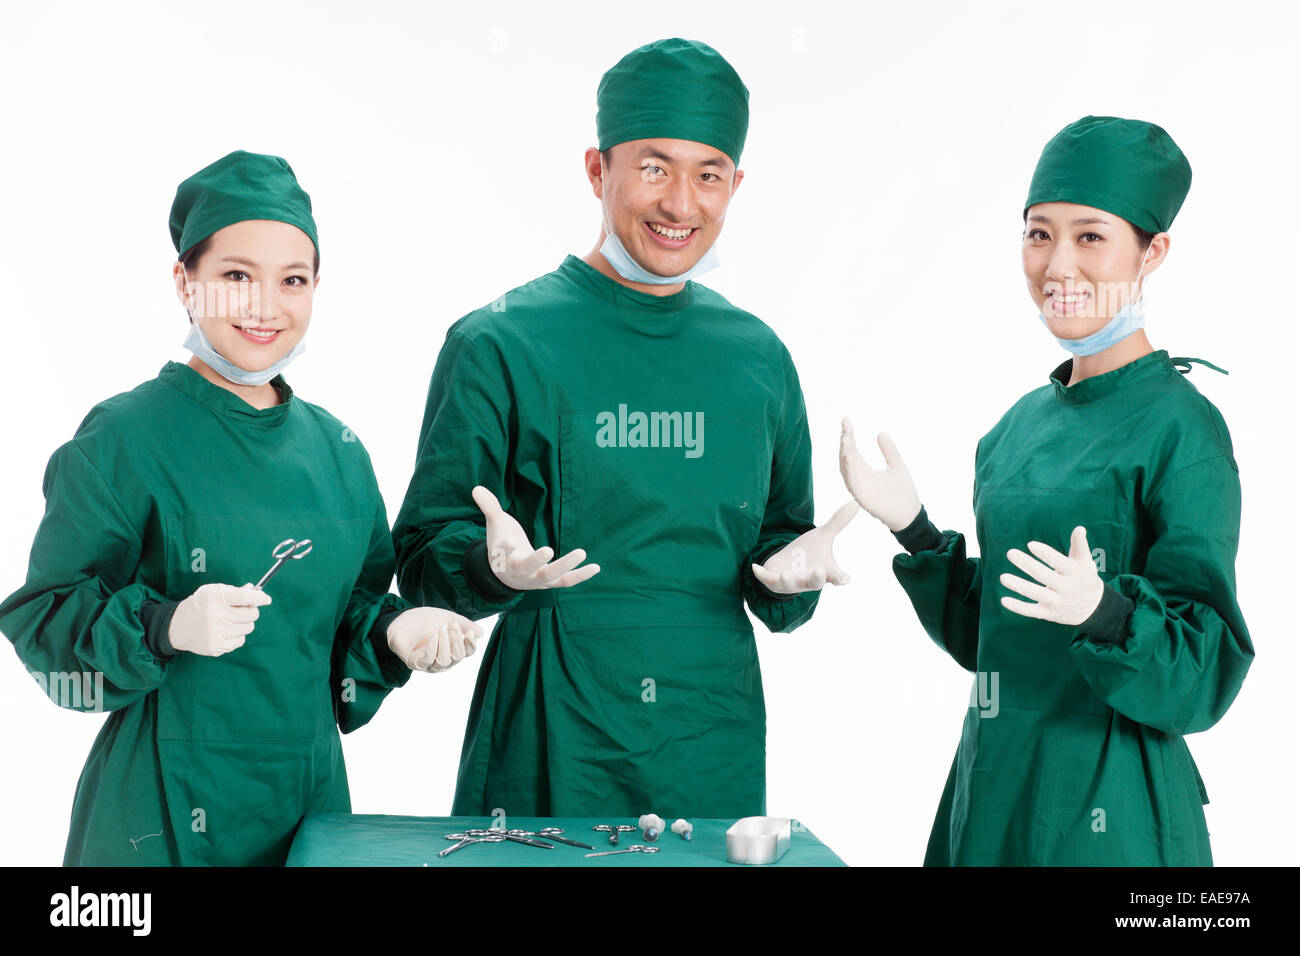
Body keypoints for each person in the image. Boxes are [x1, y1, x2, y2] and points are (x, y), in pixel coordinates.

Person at [394, 38, 855, 820]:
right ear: (596, 170)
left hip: (712, 731)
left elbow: (779, 558)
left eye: (708, 174)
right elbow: (422, 562)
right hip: (554, 728)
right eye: (653, 167)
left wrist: (792, 574)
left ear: (735, 185)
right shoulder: (500, 342)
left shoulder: (758, 357)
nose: (681, 203)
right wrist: (491, 568)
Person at [0, 150, 481, 865]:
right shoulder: (126, 437)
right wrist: (164, 625)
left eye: (292, 280)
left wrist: (395, 632)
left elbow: (347, 617)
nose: (265, 307)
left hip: (304, 812)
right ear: (183, 283)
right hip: (157, 818)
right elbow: (44, 619)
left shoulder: (338, 451)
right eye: (235, 277)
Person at [840, 116, 1253, 866]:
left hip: (1111, 804)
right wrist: (918, 535)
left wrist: (1106, 612)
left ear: (1152, 251)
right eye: (1038, 234)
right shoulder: (1013, 430)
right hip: (991, 784)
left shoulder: (1183, 431)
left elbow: (1203, 671)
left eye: (1090, 237)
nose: (1057, 264)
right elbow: (993, 638)